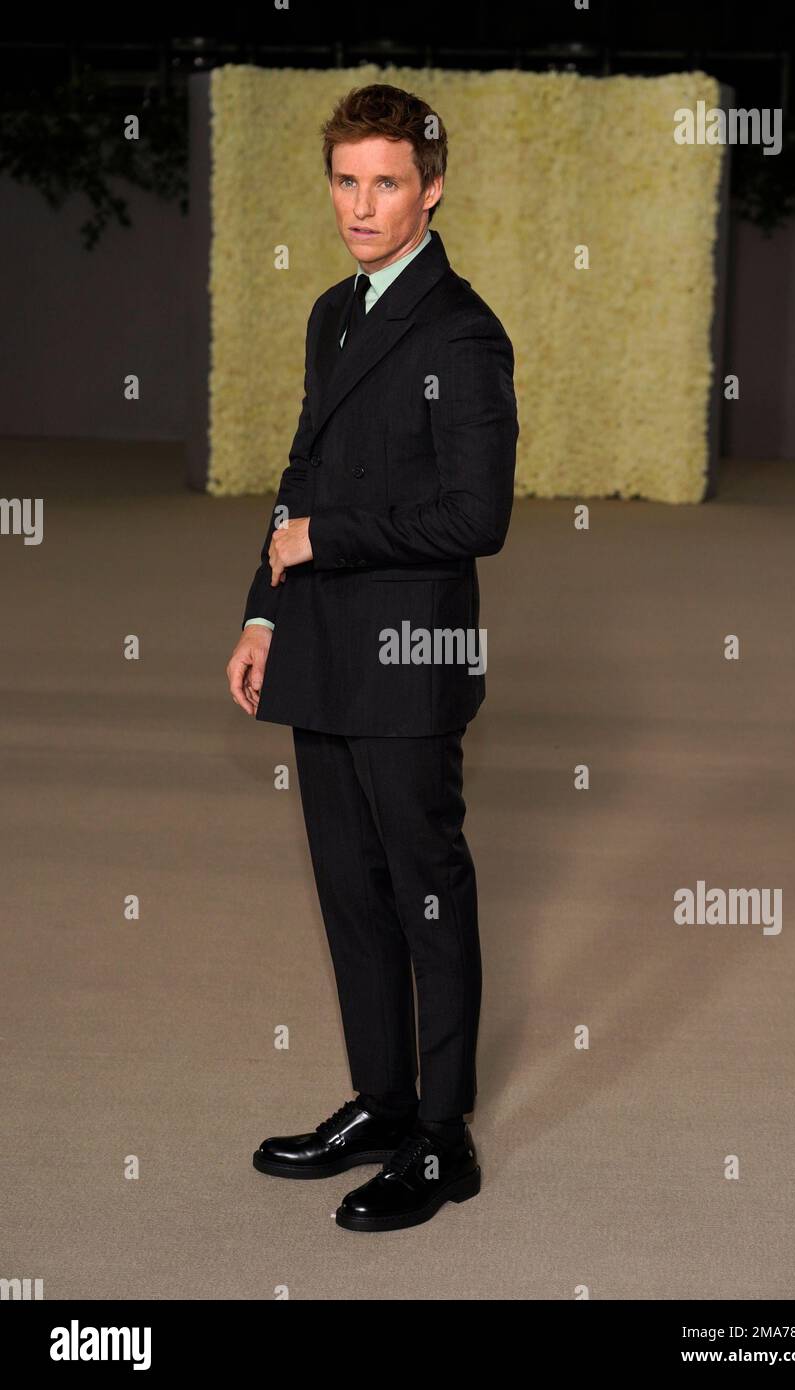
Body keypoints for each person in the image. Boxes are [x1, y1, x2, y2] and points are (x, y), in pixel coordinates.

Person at [225, 83, 518, 1232]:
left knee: (426, 893)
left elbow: (475, 515)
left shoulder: (462, 331)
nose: (361, 204)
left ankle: (444, 1140)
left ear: (430, 188)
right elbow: (300, 471)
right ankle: (384, 1101)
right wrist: (262, 611)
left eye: (385, 182)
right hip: (321, 647)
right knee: (349, 893)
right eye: (345, 181)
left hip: (409, 653)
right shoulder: (330, 314)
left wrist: (326, 539)